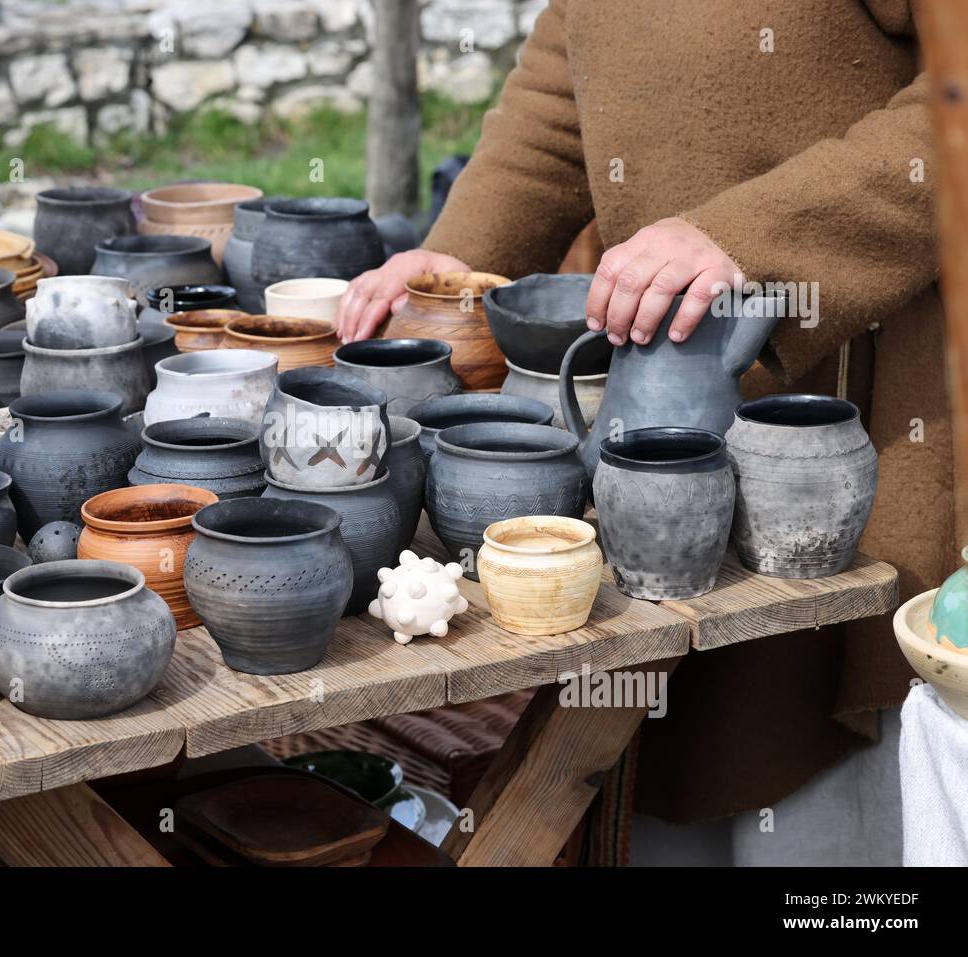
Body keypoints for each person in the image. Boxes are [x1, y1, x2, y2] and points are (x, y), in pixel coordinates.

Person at [337, 0, 952, 865]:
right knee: (669, 763)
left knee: (831, 843)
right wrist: (454, 268)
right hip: (663, 406)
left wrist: (754, 239)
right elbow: (562, 93)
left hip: (863, 412)